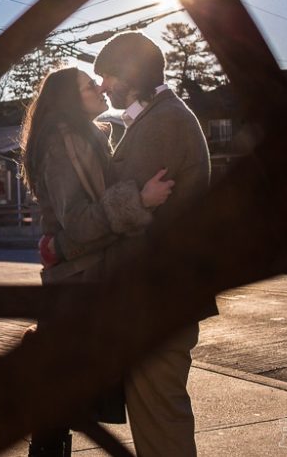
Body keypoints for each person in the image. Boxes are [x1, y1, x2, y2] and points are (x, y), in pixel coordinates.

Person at [20, 66, 174, 456]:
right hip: (78, 289)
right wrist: (138, 201)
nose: (99, 88)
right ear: (71, 99)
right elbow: (81, 223)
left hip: (82, 282)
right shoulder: (63, 143)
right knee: (58, 404)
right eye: (89, 86)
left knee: (61, 403)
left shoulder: (88, 137)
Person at [92, 31, 214, 457]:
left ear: (132, 73)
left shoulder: (164, 124)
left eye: (107, 75)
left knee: (161, 419)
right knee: (155, 415)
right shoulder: (153, 119)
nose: (103, 85)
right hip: (158, 295)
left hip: (159, 297)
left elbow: (116, 201)